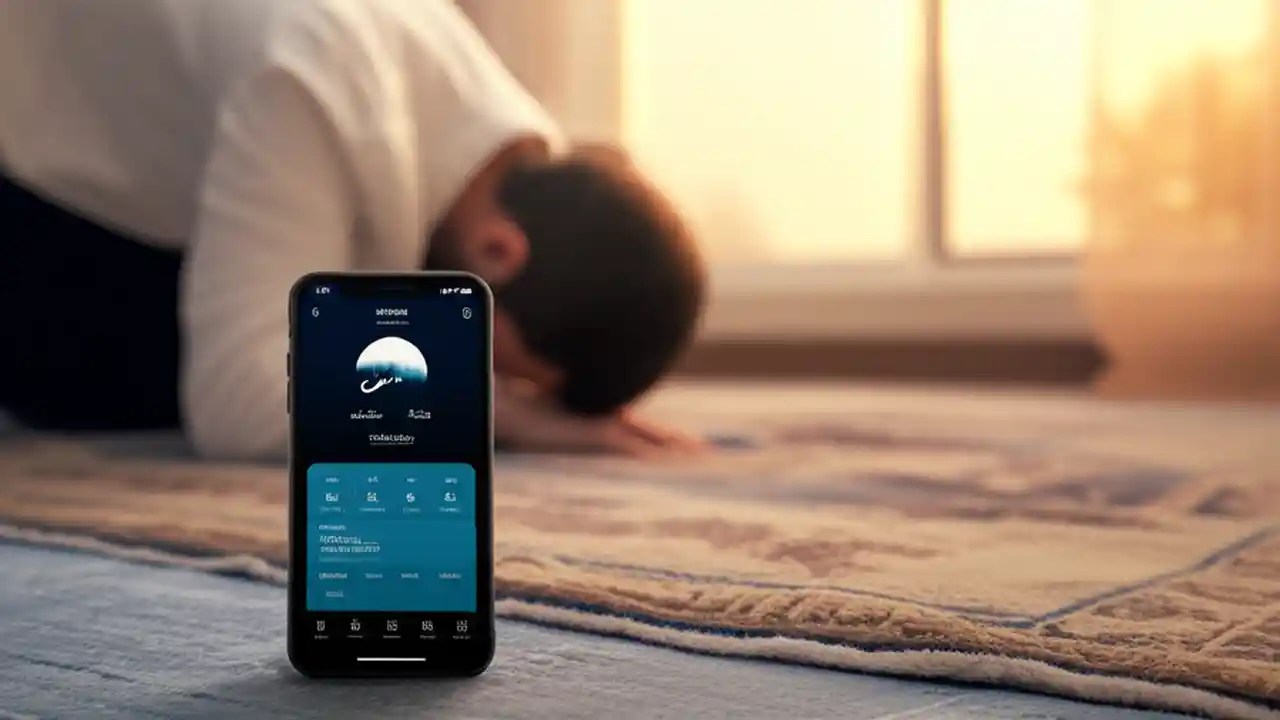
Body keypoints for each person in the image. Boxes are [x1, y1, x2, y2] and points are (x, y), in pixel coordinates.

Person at [0, 0, 706, 459]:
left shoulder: (479, 127)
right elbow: (235, 404)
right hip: (27, 152)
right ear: (500, 250)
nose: (481, 374)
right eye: (494, 363)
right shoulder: (317, 80)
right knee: (153, 379)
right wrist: (497, 417)